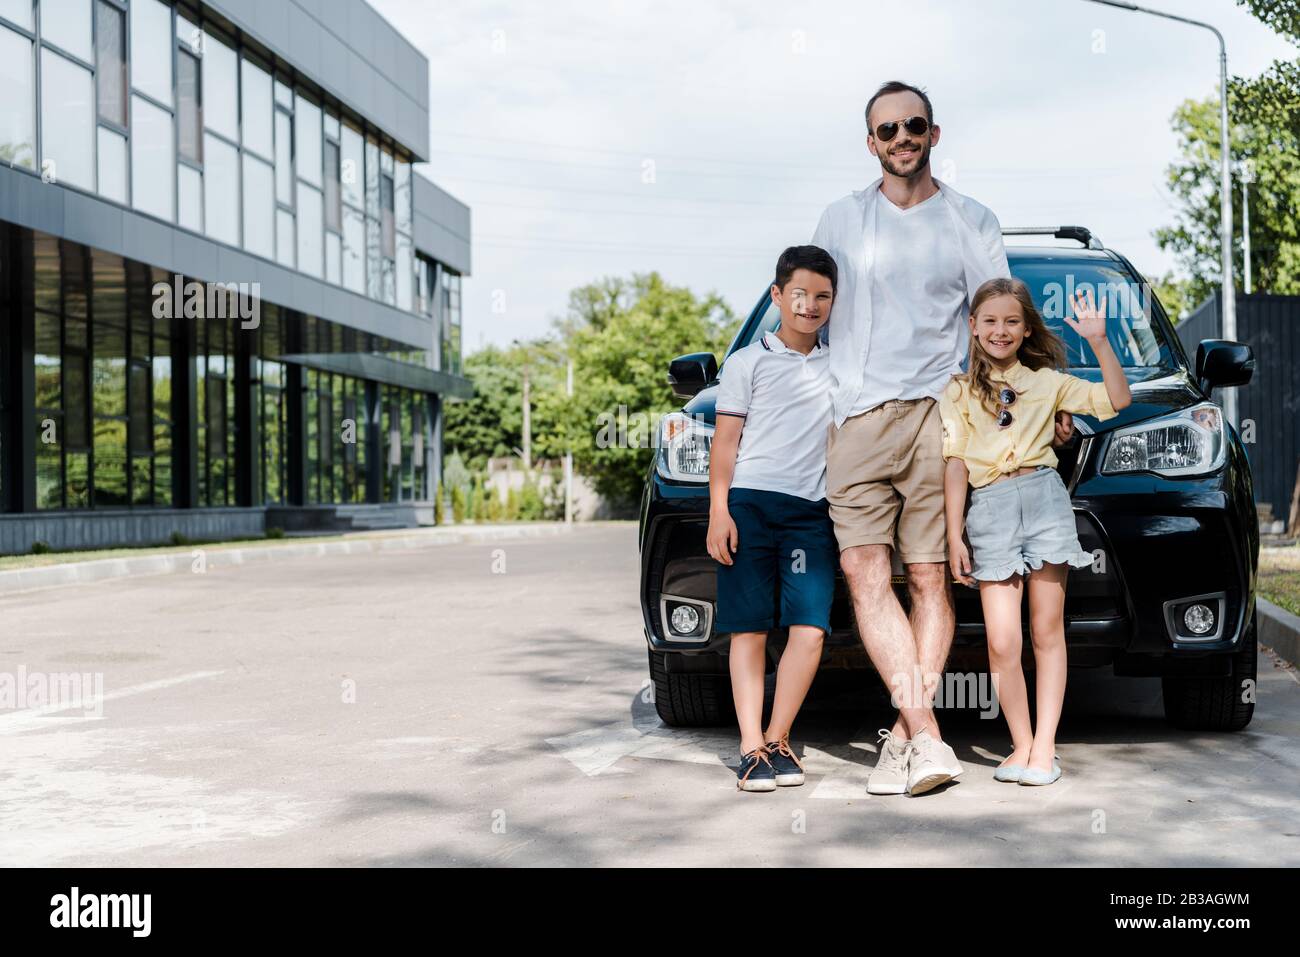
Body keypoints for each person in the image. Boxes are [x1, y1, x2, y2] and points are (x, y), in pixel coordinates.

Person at [811, 80, 1074, 796]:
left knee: (928, 576)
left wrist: (1036, 399)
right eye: (887, 129)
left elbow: (1002, 323)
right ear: (871, 143)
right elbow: (811, 313)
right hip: (857, 418)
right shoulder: (840, 218)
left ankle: (909, 736)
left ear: (933, 133)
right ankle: (926, 730)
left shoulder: (970, 220)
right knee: (866, 574)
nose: (901, 137)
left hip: (939, 418)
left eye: (913, 125)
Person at [941, 278, 1131, 786]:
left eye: (1011, 321)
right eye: (990, 321)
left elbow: (1117, 399)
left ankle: (1045, 745)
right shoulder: (957, 391)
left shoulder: (1047, 382)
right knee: (1003, 642)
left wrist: (1098, 340)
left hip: (1045, 500)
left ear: (1026, 330)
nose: (1000, 331)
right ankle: (1021, 742)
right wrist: (954, 533)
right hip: (991, 509)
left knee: (1046, 630)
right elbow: (956, 462)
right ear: (973, 328)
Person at [707, 245, 839, 792]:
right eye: (800, 294)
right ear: (778, 295)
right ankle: (750, 746)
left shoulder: (841, 365)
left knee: (809, 630)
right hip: (750, 505)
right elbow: (726, 441)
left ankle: (779, 739)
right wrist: (719, 511)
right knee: (750, 628)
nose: (811, 306)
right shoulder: (748, 362)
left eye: (823, 296)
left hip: (810, 511)